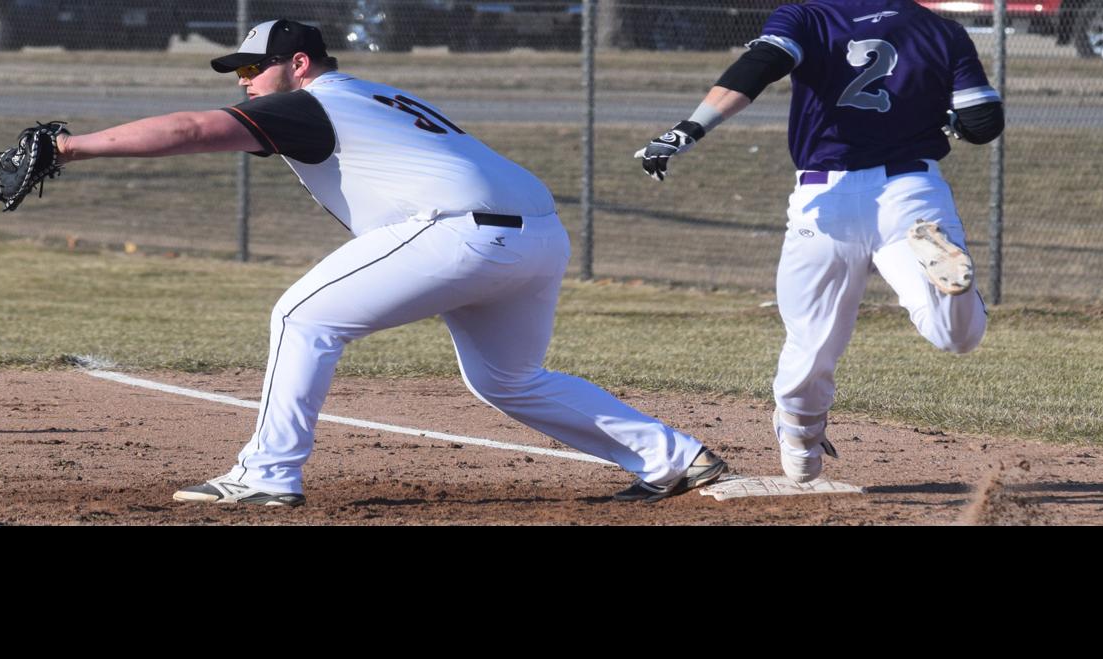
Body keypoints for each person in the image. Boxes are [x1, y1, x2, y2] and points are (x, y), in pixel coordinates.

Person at [53, 19, 726, 507]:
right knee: (508, 378)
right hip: (538, 236)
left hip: (458, 232)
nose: (246, 84)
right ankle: (673, 457)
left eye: (252, 69)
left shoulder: (307, 103)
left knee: (301, 315)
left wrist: (74, 148)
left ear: (299, 64)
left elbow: (194, 131)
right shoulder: (371, 94)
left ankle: (267, 473)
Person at [634, 0, 1004, 483]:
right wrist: (951, 119)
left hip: (825, 196)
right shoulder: (940, 29)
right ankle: (954, 290)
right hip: (913, 194)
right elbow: (983, 122)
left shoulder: (807, 16)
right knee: (955, 336)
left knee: (812, 343)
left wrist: (689, 128)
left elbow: (761, 66)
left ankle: (799, 430)